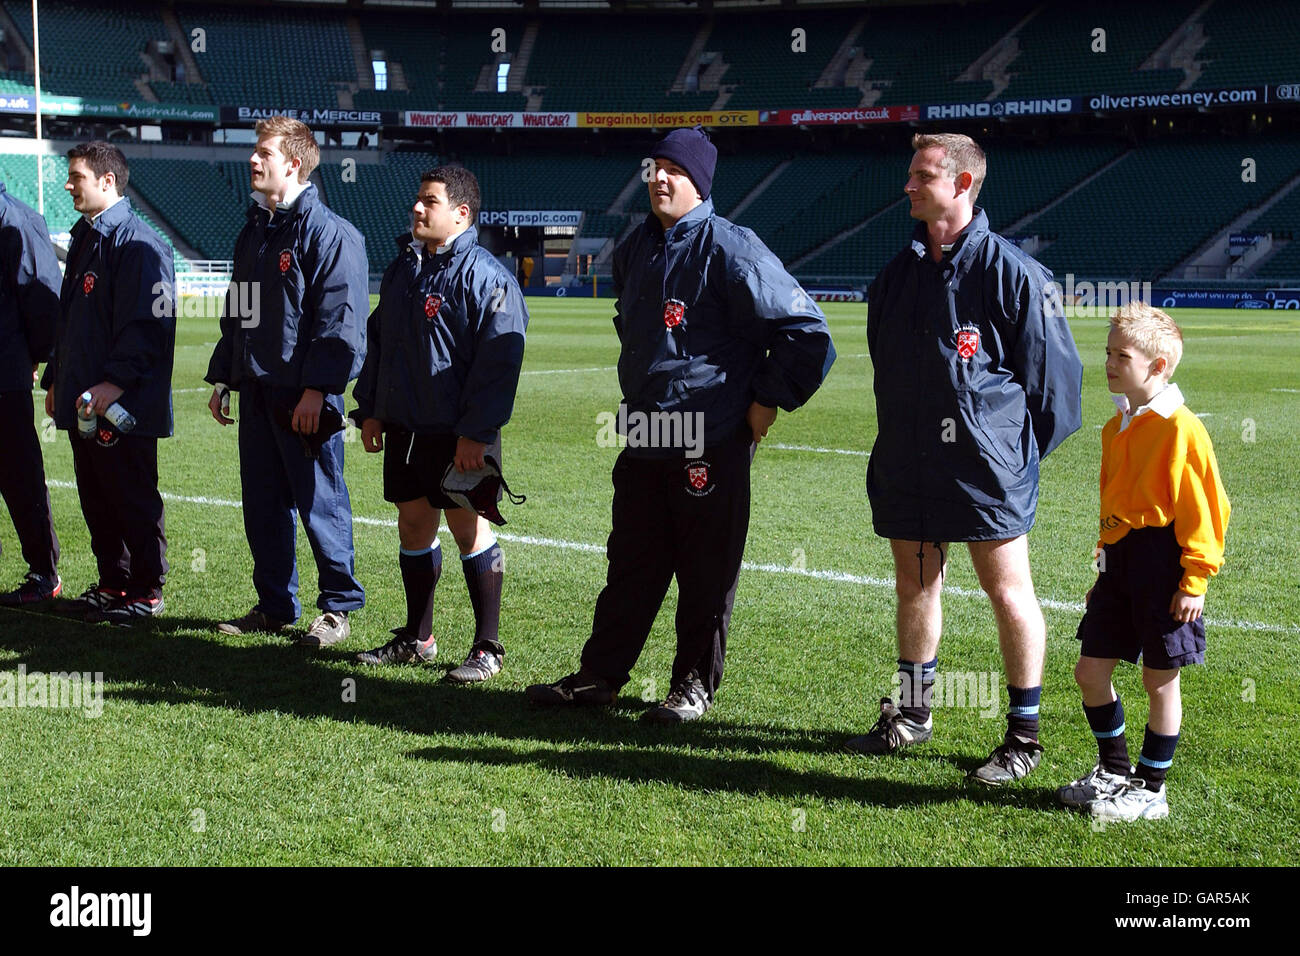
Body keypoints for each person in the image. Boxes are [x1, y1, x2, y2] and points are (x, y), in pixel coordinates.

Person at [527, 126, 836, 723]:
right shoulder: (634, 247)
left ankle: (691, 686)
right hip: (645, 432)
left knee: (706, 568)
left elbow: (806, 333)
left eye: (675, 170)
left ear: (700, 182)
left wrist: (766, 400)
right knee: (631, 562)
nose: (660, 178)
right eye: (654, 167)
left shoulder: (733, 248)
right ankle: (600, 677)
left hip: (711, 434)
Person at [847, 132, 1083, 784]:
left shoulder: (1013, 274)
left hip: (986, 472)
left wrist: (1007, 456)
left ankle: (1023, 737)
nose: (908, 187)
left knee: (1008, 592)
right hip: (909, 462)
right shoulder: (896, 275)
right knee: (916, 584)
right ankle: (915, 713)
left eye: (922, 176)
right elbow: (886, 368)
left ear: (962, 185)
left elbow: (1057, 392)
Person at [350, 165, 528, 682]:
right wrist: (370, 408)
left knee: (467, 527)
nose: (418, 209)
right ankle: (418, 637)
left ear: (461, 213)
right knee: (412, 522)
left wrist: (477, 431)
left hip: (458, 433)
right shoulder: (403, 268)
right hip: (405, 426)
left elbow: (499, 364)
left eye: (430, 201)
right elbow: (379, 341)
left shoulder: (487, 276)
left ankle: (487, 647)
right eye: (418, 200)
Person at [1057, 303, 1228, 821]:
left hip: (1164, 564)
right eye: (1108, 352)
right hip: (1120, 564)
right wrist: (1104, 566)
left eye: (1121, 355)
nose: (1109, 362)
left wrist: (1194, 580)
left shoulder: (1181, 428)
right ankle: (1113, 769)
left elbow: (1208, 508)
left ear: (1159, 366)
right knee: (1090, 671)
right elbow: (1113, 504)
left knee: (1160, 679)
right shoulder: (1117, 426)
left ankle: (1151, 790)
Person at [205, 116, 369, 646]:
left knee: (320, 501)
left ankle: (338, 609)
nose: (253, 160)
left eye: (264, 153)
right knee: (262, 503)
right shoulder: (255, 230)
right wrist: (225, 376)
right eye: (255, 151)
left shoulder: (332, 233)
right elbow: (239, 310)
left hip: (302, 396)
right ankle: (276, 604)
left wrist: (318, 390)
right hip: (256, 390)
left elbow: (339, 321)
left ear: (293, 163)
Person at [42, 142, 176, 623]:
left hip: (125, 404)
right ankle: (114, 582)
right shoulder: (86, 236)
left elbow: (149, 323)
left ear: (106, 181)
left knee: (132, 493)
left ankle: (146, 588)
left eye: (76, 175)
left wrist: (114, 384)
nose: (67, 184)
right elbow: (70, 319)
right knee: (96, 492)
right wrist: (57, 377)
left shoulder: (139, 243)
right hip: (83, 400)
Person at [0, 179, 62, 606]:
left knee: (19, 477)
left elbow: (43, 298)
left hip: (4, 376)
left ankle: (44, 572)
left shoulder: (17, 219)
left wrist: (39, 358)